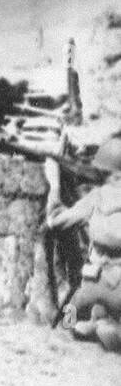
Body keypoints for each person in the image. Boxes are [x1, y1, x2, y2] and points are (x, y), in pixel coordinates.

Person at [46, 136, 121, 351]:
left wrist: (55, 185)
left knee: (71, 313)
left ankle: (75, 327)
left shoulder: (97, 197)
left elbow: (56, 222)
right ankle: (110, 325)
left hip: (93, 284)